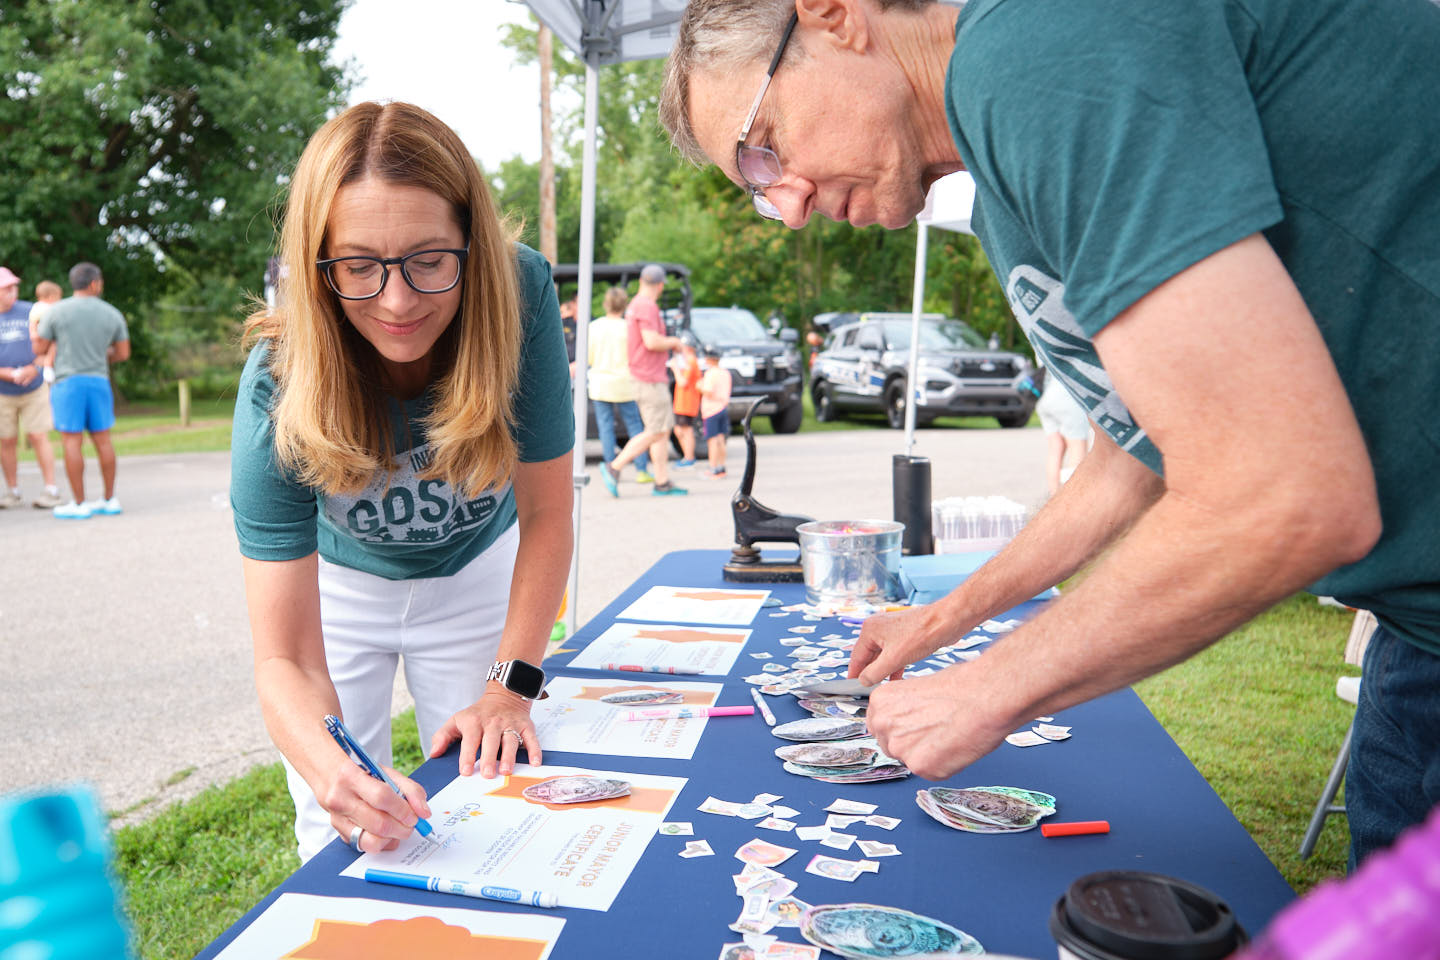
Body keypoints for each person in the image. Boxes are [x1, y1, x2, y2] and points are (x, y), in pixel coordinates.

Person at [660, 0, 1440, 866]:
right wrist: (940, 624)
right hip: (1417, 630)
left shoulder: (1031, 47)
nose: (791, 205)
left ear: (834, 15)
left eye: (764, 149)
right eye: (761, 191)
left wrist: (990, 690)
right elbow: (1129, 456)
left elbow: (1283, 496)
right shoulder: (1003, 170)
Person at [229, 101, 574, 862]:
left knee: (496, 795)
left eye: (428, 259)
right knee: (343, 823)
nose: (397, 300)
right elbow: (284, 659)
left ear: (472, 244)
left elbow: (547, 514)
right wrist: (333, 773)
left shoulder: (521, 295)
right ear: (317, 265)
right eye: (357, 266)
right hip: (342, 587)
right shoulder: (276, 382)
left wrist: (510, 687)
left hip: (474, 568)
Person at [32, 262, 130, 518]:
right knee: (104, 440)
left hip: (67, 382)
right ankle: (109, 499)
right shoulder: (112, 313)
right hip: (98, 381)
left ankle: (79, 503)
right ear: (94, 283)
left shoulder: (56, 311)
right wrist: (100, 353)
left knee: (72, 441)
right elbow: (123, 352)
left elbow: (39, 349)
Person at [597, 264, 688, 497]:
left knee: (661, 429)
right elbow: (651, 341)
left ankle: (662, 482)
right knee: (657, 430)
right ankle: (614, 467)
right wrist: (675, 342)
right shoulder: (647, 306)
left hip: (643, 375)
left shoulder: (636, 305)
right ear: (660, 286)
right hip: (649, 377)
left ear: (640, 281)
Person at [0, 268, 62, 509]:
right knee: (6, 440)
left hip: (34, 386)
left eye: (14, 287)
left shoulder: (32, 311)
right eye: (6, 288)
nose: (12, 292)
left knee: (38, 436)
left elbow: (51, 344)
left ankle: (51, 490)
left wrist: (35, 367)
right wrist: (7, 373)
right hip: (3, 391)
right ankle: (12, 492)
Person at [588, 286, 652, 482]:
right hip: (626, 383)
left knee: (605, 426)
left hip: (600, 382)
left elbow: (589, 357)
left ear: (605, 304)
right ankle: (641, 469)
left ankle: (611, 468)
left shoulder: (594, 326)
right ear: (625, 305)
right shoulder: (628, 328)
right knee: (635, 426)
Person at [1034, 367, 1088, 497]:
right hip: (1067, 397)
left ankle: (1054, 497)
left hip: (1044, 396)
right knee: (1077, 448)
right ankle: (1073, 498)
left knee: (1055, 449)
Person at [699, 346, 732, 478]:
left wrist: (699, 386)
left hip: (711, 410)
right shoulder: (725, 373)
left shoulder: (710, 373)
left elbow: (708, 391)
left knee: (712, 440)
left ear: (709, 359)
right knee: (721, 439)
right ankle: (721, 467)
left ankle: (713, 468)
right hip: (722, 407)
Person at [671, 339, 702, 468]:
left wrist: (675, 369)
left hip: (687, 402)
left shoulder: (691, 362)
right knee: (678, 429)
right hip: (681, 402)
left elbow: (683, 382)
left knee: (686, 429)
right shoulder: (687, 362)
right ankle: (686, 456)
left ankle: (689, 458)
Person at [27, 281, 62, 384]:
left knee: (52, 346)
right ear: (51, 297)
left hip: (44, 335)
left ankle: (45, 364)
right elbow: (33, 321)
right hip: (44, 335)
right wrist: (33, 333)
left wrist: (33, 333)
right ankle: (48, 364)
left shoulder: (38, 306)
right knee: (55, 345)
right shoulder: (45, 307)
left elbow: (32, 321)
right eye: (58, 297)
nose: (59, 300)